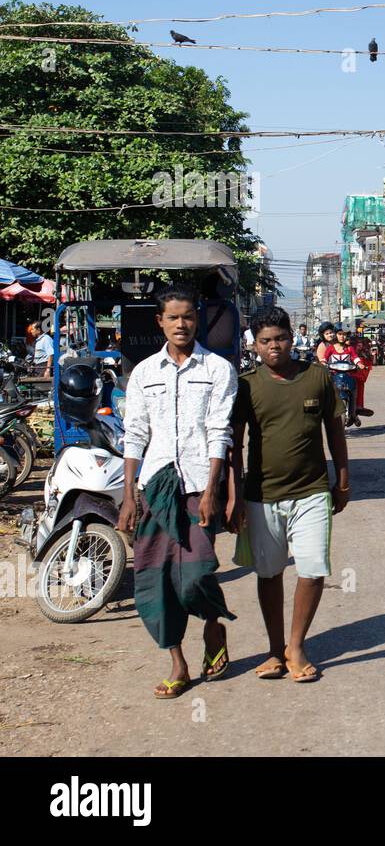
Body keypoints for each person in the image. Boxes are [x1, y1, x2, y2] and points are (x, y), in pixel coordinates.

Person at [117, 285, 239, 699]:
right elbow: (134, 434)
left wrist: (212, 490)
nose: (181, 324)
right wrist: (130, 495)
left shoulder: (218, 369)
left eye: (188, 316)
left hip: (197, 486)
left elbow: (220, 432)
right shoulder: (145, 374)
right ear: (160, 322)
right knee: (154, 581)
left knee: (197, 573)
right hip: (155, 485)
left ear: (197, 319)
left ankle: (213, 627)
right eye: (173, 317)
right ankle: (178, 664)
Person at [231, 306, 349, 684]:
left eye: (280, 338)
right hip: (261, 495)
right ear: (254, 346)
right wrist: (233, 495)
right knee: (269, 573)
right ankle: (274, 649)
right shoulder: (247, 385)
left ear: (291, 337)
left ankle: (296, 647)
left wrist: (343, 481)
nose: (274, 347)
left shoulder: (317, 378)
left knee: (313, 570)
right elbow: (235, 444)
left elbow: (335, 432)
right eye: (265, 341)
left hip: (312, 492)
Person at [351, 333, 375, 417]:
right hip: (346, 372)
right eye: (358, 344)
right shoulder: (347, 349)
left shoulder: (363, 352)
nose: (360, 345)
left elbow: (368, 363)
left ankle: (359, 406)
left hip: (359, 374)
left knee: (360, 385)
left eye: (361, 344)